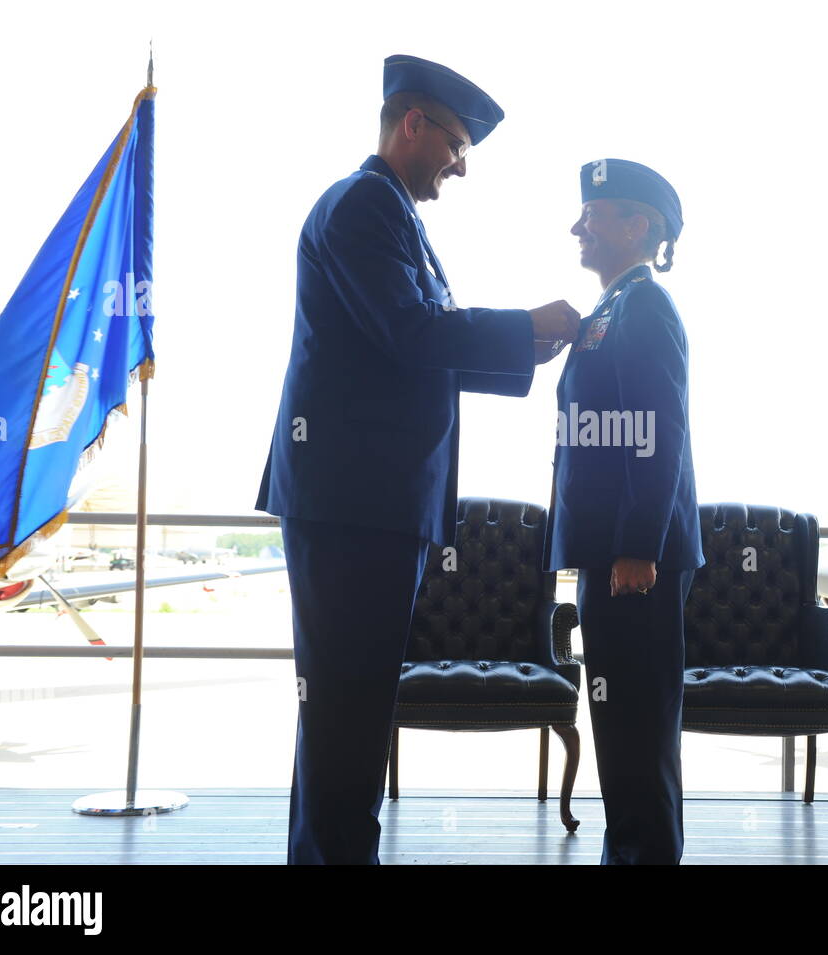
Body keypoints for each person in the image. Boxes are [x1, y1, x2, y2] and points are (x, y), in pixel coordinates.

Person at [255, 54, 580, 865]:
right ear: (413, 125)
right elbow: (412, 333)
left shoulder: (391, 214)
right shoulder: (365, 206)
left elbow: (414, 344)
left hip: (368, 507)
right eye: (458, 144)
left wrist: (524, 349)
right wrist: (524, 323)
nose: (462, 165)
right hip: (351, 508)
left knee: (348, 711)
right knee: (347, 712)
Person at [544, 159, 704, 864]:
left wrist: (638, 544)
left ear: (637, 225)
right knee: (619, 725)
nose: (578, 225)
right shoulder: (612, 308)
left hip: (634, 559)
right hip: (609, 554)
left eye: (594, 214)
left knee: (637, 729)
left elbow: (659, 430)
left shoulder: (645, 307)